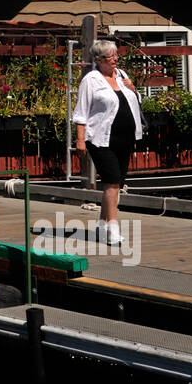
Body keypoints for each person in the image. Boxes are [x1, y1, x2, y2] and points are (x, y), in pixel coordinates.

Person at [72, 39, 142, 245]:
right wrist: (80, 139)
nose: (115, 59)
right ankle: (112, 228)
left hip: (126, 137)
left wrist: (134, 88)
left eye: (115, 55)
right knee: (111, 181)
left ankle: (102, 227)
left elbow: (135, 102)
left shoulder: (122, 76)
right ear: (99, 60)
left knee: (117, 182)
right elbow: (81, 112)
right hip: (101, 138)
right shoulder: (91, 80)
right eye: (110, 57)